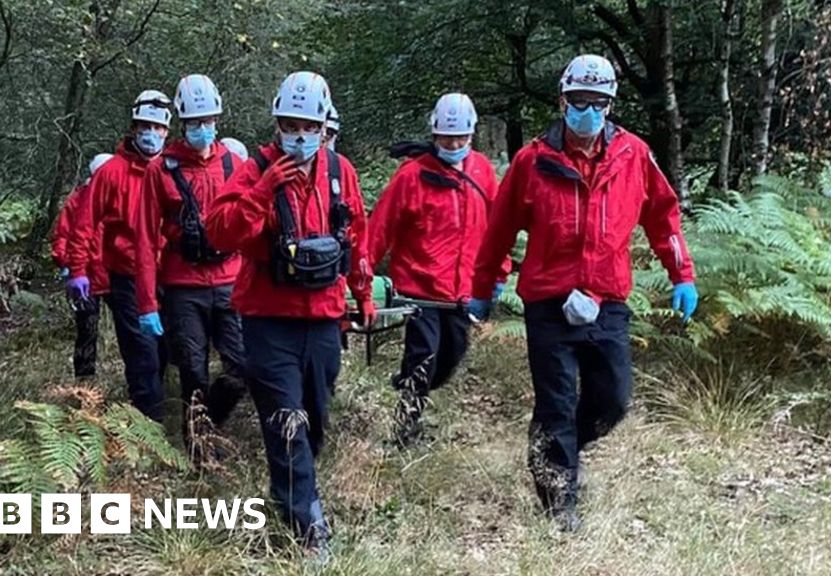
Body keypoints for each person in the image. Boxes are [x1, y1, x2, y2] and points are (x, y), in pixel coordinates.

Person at [472, 55, 700, 531]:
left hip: (607, 302)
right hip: (549, 303)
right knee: (555, 404)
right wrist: (484, 286)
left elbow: (663, 216)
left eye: (599, 103)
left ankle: (556, 450)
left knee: (613, 400)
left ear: (610, 105)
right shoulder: (532, 161)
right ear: (562, 101)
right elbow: (497, 231)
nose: (588, 113)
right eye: (580, 102)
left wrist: (682, 274)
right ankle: (561, 502)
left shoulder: (633, 155)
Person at [205, 71, 375, 556]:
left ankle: (289, 494)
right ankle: (310, 526)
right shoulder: (255, 168)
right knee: (286, 419)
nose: (298, 134)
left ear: (324, 127)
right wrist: (262, 192)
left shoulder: (341, 171)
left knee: (315, 418)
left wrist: (361, 291)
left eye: (308, 125)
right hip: (268, 319)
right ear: (277, 122)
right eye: (288, 123)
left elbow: (356, 233)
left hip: (323, 317)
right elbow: (220, 232)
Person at [369, 92, 509, 445]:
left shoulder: (481, 170)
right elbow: (379, 229)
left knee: (451, 357)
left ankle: (407, 383)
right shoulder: (412, 176)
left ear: (471, 135)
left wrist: (499, 272)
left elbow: (498, 224)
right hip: (420, 287)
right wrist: (360, 276)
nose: (454, 144)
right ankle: (406, 426)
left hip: (463, 290)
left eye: (460, 138)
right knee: (424, 358)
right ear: (434, 135)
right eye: (447, 138)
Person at [134, 75, 246, 442]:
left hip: (230, 281)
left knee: (241, 369)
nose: (203, 128)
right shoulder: (161, 169)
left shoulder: (233, 164)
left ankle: (207, 425)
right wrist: (147, 303)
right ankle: (198, 448)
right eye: (196, 122)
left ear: (218, 120)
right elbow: (147, 237)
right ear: (182, 124)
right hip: (183, 286)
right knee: (193, 372)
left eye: (209, 121)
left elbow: (251, 225)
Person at [66, 90, 174, 421]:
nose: (151, 134)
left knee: (164, 349)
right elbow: (83, 222)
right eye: (145, 126)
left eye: (158, 128)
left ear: (167, 131)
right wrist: (78, 269)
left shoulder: (173, 170)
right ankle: (148, 425)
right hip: (126, 275)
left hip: (168, 274)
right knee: (142, 353)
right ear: (133, 126)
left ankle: (161, 412)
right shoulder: (111, 172)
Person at [51, 152, 113, 378]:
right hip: (85, 276)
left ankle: (138, 379)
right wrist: (67, 265)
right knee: (87, 329)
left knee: (132, 332)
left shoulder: (122, 196)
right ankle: (84, 382)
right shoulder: (78, 200)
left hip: (116, 274)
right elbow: (62, 236)